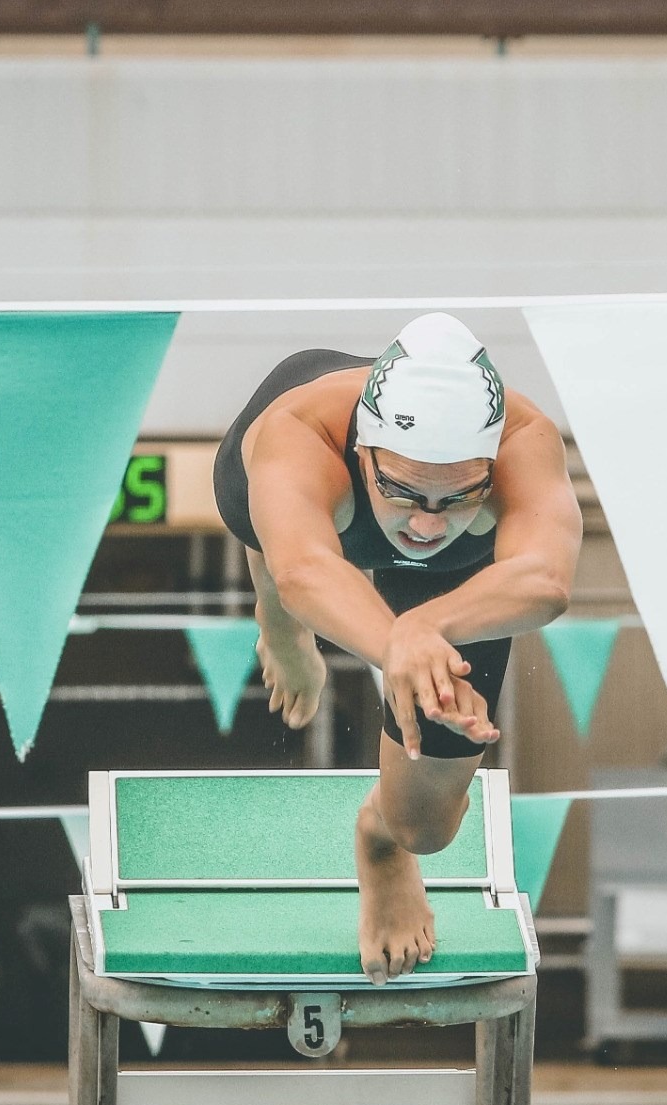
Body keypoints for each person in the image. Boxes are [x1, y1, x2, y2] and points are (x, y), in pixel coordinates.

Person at [213, 312, 582, 984]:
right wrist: (399, 646)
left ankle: (380, 838)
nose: (425, 522)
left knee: (427, 829)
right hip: (299, 510)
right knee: (278, 548)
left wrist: (419, 632)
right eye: (403, 490)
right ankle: (279, 622)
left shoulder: (527, 440)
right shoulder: (304, 431)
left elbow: (547, 581)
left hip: (455, 578)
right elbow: (305, 569)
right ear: (364, 452)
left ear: (491, 465)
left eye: (459, 497)